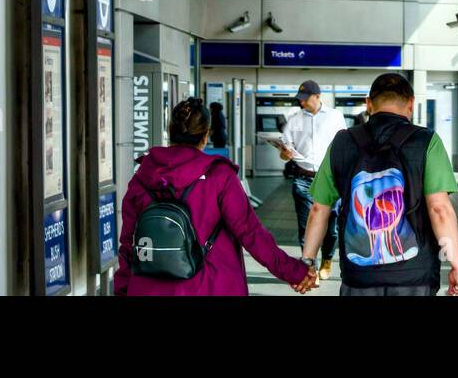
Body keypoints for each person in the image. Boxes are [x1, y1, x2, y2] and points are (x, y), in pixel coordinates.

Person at [114, 97, 316, 296]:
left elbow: (128, 241)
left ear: (171, 131)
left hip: (149, 288)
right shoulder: (219, 176)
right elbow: (250, 233)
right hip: (211, 285)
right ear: (205, 136)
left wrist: (123, 287)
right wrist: (294, 272)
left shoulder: (144, 175)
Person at [298, 72, 458, 297]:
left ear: (368, 104)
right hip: (414, 277)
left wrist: (308, 261)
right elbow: (440, 209)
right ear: (411, 103)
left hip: (359, 278)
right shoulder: (427, 142)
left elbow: (318, 209)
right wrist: (457, 264)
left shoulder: (341, 143)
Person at [271, 79, 343, 282]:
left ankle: (327, 259)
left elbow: (343, 146)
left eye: (305, 99)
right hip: (303, 179)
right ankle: (310, 269)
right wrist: (284, 153)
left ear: (318, 96)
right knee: (306, 228)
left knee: (332, 228)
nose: (301, 103)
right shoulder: (294, 119)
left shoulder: (335, 117)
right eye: (300, 99)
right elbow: (286, 153)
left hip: (330, 180)